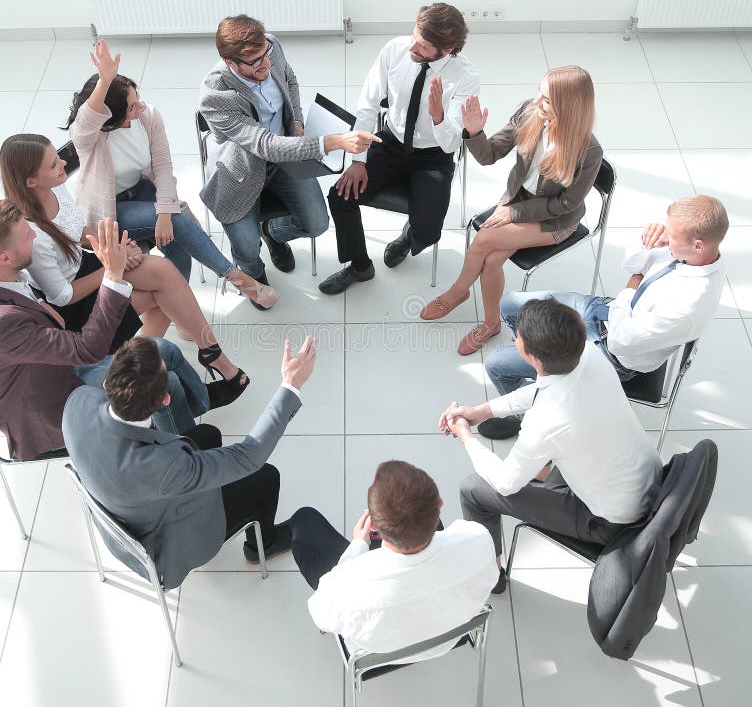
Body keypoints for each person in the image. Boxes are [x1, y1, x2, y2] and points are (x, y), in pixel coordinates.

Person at [0, 202, 224, 461]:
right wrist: (112, 273)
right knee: (164, 381)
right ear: (4, 258)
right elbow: (88, 349)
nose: (33, 233)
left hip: (53, 363)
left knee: (165, 350)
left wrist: (40, 303)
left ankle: (197, 406)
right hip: (52, 402)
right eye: (26, 235)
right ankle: (185, 461)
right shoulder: (0, 324)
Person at [0, 133, 249, 405]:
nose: (63, 163)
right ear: (30, 181)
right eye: (52, 164)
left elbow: (76, 230)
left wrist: (112, 246)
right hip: (76, 305)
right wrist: (111, 266)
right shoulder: (31, 236)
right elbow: (61, 296)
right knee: (161, 298)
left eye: (56, 157)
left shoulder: (54, 186)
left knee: (163, 272)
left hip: (90, 265)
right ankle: (139, 373)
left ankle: (205, 355)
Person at [440, 298, 662, 593]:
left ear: (531, 356)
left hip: (610, 520)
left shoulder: (546, 421)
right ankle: (545, 481)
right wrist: (482, 411)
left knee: (473, 489)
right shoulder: (589, 355)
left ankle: (490, 575)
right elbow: (543, 389)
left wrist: (466, 435)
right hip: (647, 481)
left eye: (517, 336)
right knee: (547, 456)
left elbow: (506, 484)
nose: (515, 338)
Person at [62, 334, 317, 590]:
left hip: (122, 510)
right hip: (165, 546)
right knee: (266, 477)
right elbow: (250, 455)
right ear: (165, 400)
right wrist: (290, 385)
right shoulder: (168, 466)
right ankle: (262, 544)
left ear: (106, 383)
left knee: (209, 435)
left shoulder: (77, 401)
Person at [479, 194, 728, 439]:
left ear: (698, 245)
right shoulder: (688, 252)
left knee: (496, 364)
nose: (666, 236)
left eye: (671, 235)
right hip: (608, 313)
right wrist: (646, 243)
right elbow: (631, 267)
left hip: (610, 353)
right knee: (510, 304)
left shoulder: (691, 303)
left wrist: (629, 289)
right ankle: (541, 367)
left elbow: (621, 340)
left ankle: (527, 415)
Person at [64, 39, 278, 309]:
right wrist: (105, 80)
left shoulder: (148, 116)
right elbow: (86, 120)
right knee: (175, 221)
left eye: (138, 100)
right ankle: (234, 277)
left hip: (141, 191)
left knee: (176, 243)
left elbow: (164, 167)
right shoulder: (90, 138)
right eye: (132, 107)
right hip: (110, 211)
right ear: (110, 118)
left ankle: (175, 310)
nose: (140, 108)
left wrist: (164, 213)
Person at [420, 66, 603, 355]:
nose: (537, 103)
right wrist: (475, 131)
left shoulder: (589, 151)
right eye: (539, 94)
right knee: (491, 261)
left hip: (555, 220)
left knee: (484, 239)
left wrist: (512, 214)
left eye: (546, 100)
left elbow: (565, 204)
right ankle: (491, 324)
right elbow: (489, 155)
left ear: (569, 107)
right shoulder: (530, 113)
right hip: (517, 199)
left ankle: (457, 292)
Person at [198, 15, 379, 304]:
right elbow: (264, 145)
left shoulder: (270, 46)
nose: (266, 64)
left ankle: (272, 233)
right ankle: (254, 274)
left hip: (285, 161)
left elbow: (290, 80)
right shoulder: (215, 95)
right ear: (232, 63)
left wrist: (295, 119)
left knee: (317, 224)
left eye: (266, 55)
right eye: (256, 63)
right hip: (240, 173)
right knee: (246, 249)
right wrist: (333, 142)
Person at [318, 3, 479, 295]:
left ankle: (407, 238)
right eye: (414, 35)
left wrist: (439, 115)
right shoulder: (395, 49)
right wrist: (358, 160)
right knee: (340, 196)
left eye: (423, 46)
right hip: (390, 143)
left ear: (446, 50)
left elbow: (452, 142)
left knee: (428, 232)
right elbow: (367, 106)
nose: (412, 47)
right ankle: (359, 266)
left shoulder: (466, 77)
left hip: (433, 157)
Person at [290, 460, 498, 659]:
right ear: (440, 504)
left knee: (305, 518)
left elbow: (320, 614)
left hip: (381, 655)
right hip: (448, 638)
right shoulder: (478, 540)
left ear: (374, 526)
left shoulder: (346, 586)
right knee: (418, 510)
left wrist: (358, 545)